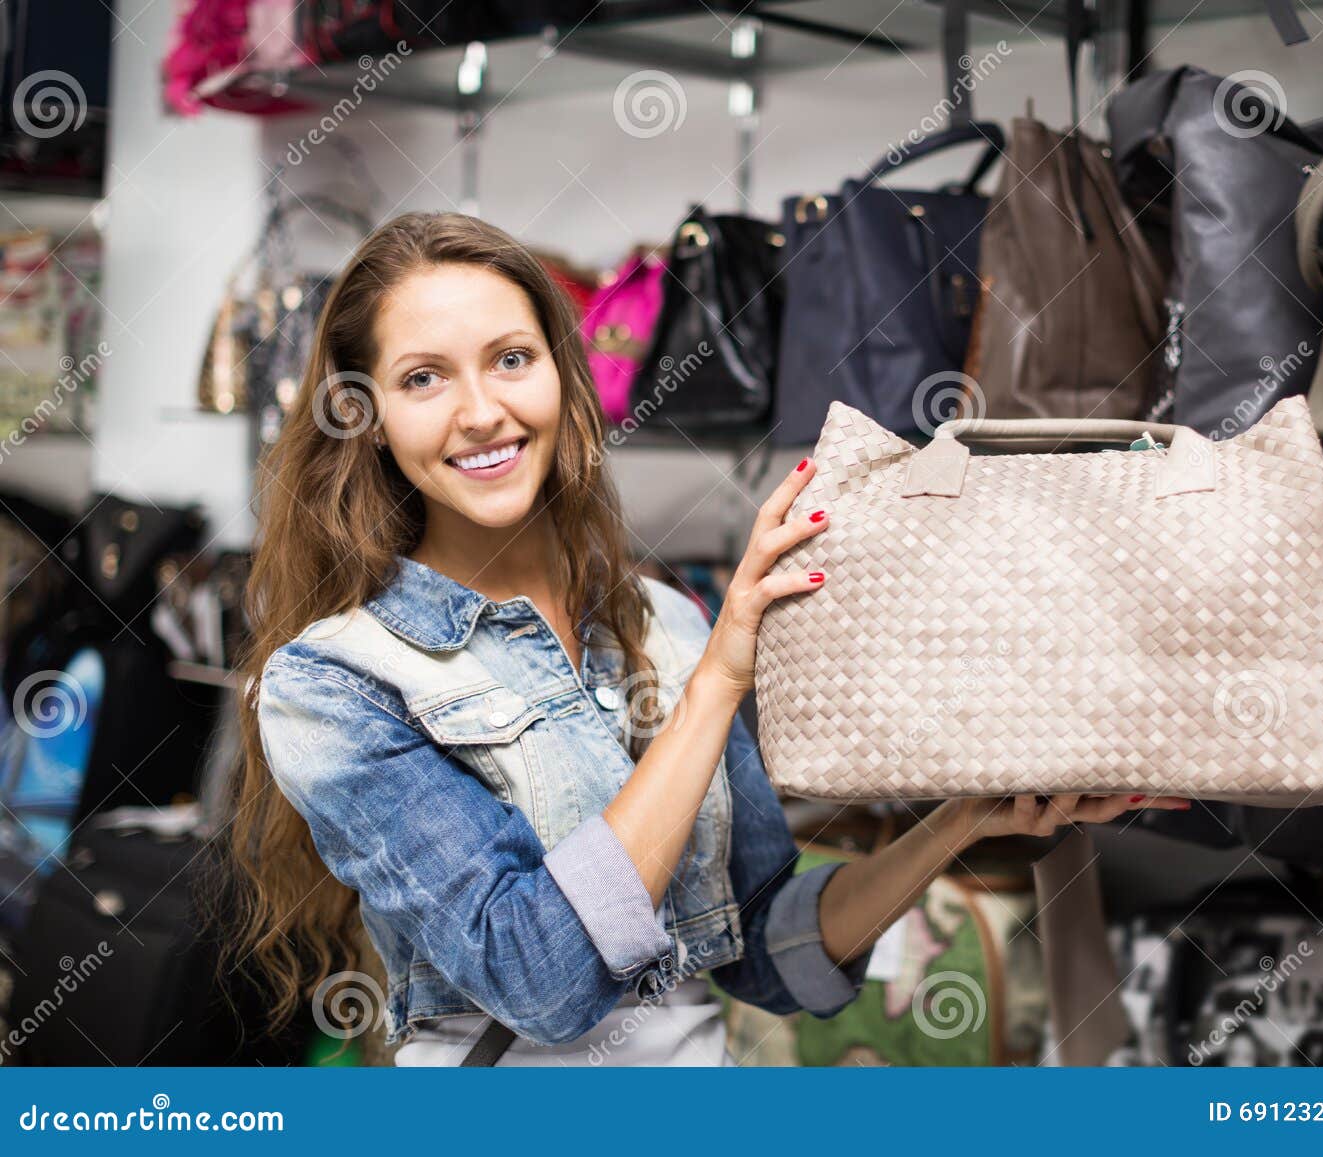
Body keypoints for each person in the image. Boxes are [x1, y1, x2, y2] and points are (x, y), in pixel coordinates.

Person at [226, 210, 1189, 1066]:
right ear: (369, 418)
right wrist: (718, 683)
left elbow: (767, 949)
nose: (483, 410)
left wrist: (961, 823)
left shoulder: (664, 622)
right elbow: (541, 979)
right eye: (424, 377)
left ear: (565, 374)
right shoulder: (335, 683)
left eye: (512, 359)